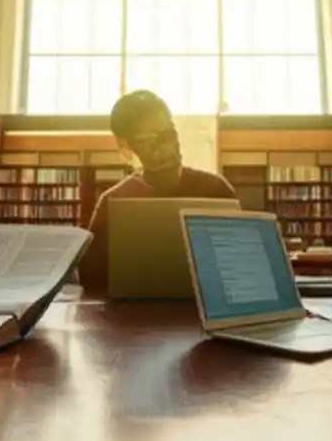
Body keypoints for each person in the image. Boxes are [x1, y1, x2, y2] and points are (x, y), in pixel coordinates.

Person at [78, 90, 237, 292]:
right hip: (133, 317)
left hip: (207, 313)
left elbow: (241, 262)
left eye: (169, 133)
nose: (166, 148)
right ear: (127, 147)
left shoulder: (216, 189)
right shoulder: (114, 201)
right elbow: (92, 280)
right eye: (149, 140)